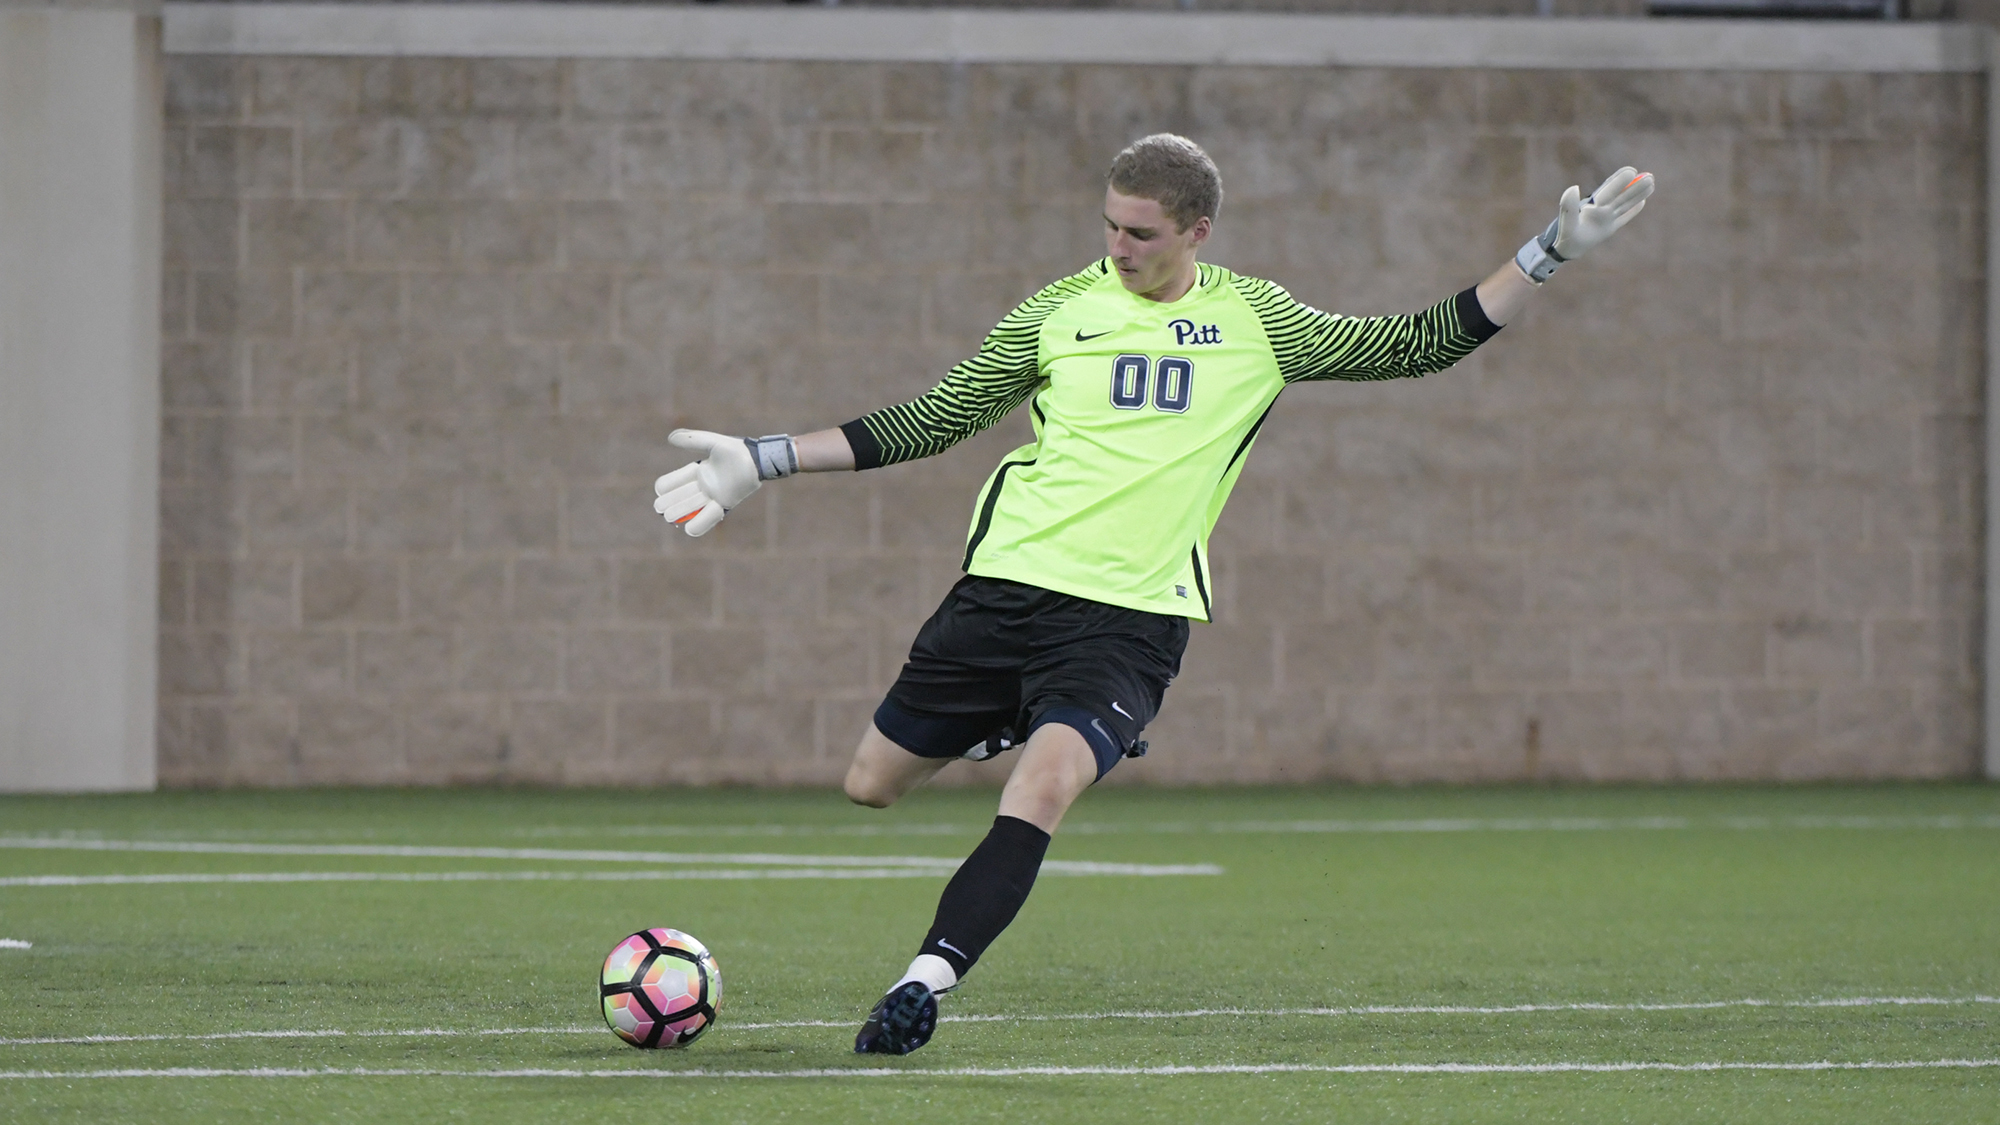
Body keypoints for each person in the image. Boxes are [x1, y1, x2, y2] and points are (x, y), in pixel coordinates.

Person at [652, 134, 1654, 1055]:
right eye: (1109, 226)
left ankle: (924, 982)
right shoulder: (1058, 311)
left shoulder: (1258, 320)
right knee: (870, 782)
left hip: (1130, 617)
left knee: (1041, 787)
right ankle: (1010, 717)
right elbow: (935, 417)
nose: (1118, 248)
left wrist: (1546, 254)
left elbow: (1415, 343)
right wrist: (766, 458)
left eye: (1140, 233)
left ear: (1196, 232)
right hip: (1004, 592)